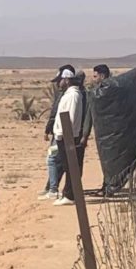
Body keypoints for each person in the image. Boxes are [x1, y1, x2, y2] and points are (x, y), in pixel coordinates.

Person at [42, 65, 88, 203]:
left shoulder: (73, 95)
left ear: (67, 80)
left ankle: (69, 195)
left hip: (67, 136)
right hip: (63, 135)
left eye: (60, 80)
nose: (58, 83)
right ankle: (67, 194)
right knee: (67, 166)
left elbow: (70, 117)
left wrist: (62, 134)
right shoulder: (69, 94)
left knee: (70, 167)